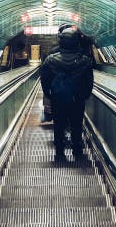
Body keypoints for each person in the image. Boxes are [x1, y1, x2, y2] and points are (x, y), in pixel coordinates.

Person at [40, 27, 94, 162]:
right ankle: (77, 150)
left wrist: (49, 95)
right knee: (76, 125)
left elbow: (44, 81)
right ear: (76, 42)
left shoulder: (50, 60)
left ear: (62, 41)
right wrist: (84, 96)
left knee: (59, 125)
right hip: (77, 100)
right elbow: (89, 82)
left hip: (58, 99)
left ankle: (59, 151)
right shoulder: (85, 61)